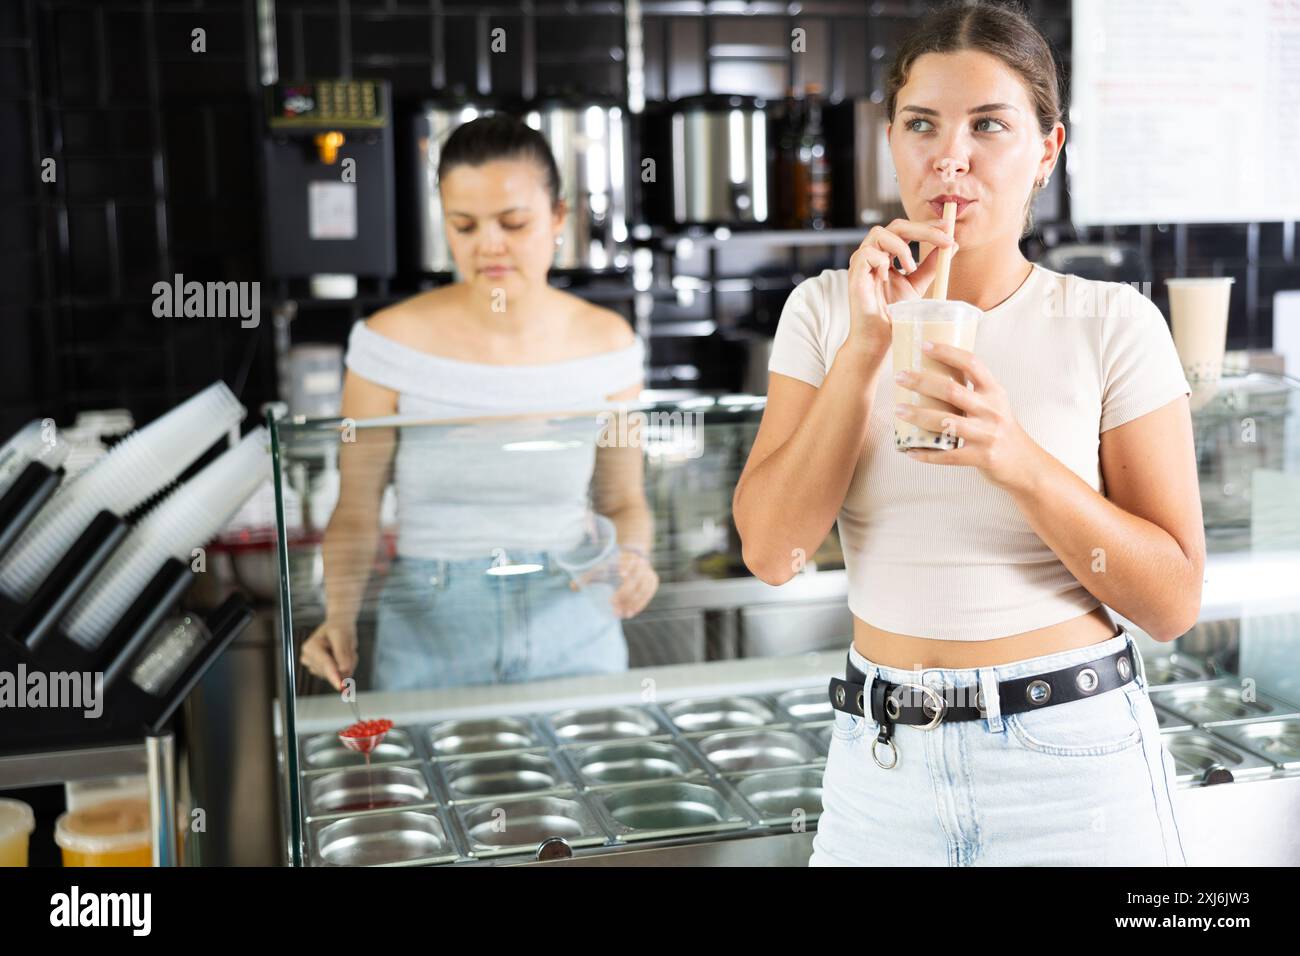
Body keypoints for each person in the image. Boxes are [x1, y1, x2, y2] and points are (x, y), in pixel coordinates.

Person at [734, 0, 1201, 866]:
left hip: (1069, 762)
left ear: (1047, 150)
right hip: (882, 768)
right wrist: (867, 349)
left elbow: (1170, 603)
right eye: (922, 124)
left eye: (989, 125)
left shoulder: (1111, 322)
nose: (950, 157)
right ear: (892, 140)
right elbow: (771, 552)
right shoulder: (825, 312)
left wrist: (1013, 455)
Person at [300, 114, 659, 693]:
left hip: (573, 621)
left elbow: (623, 500)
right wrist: (338, 615)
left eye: (513, 223)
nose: (489, 245)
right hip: (429, 634)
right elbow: (357, 509)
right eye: (464, 226)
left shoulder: (609, 343)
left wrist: (635, 558)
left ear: (558, 218)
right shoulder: (386, 343)